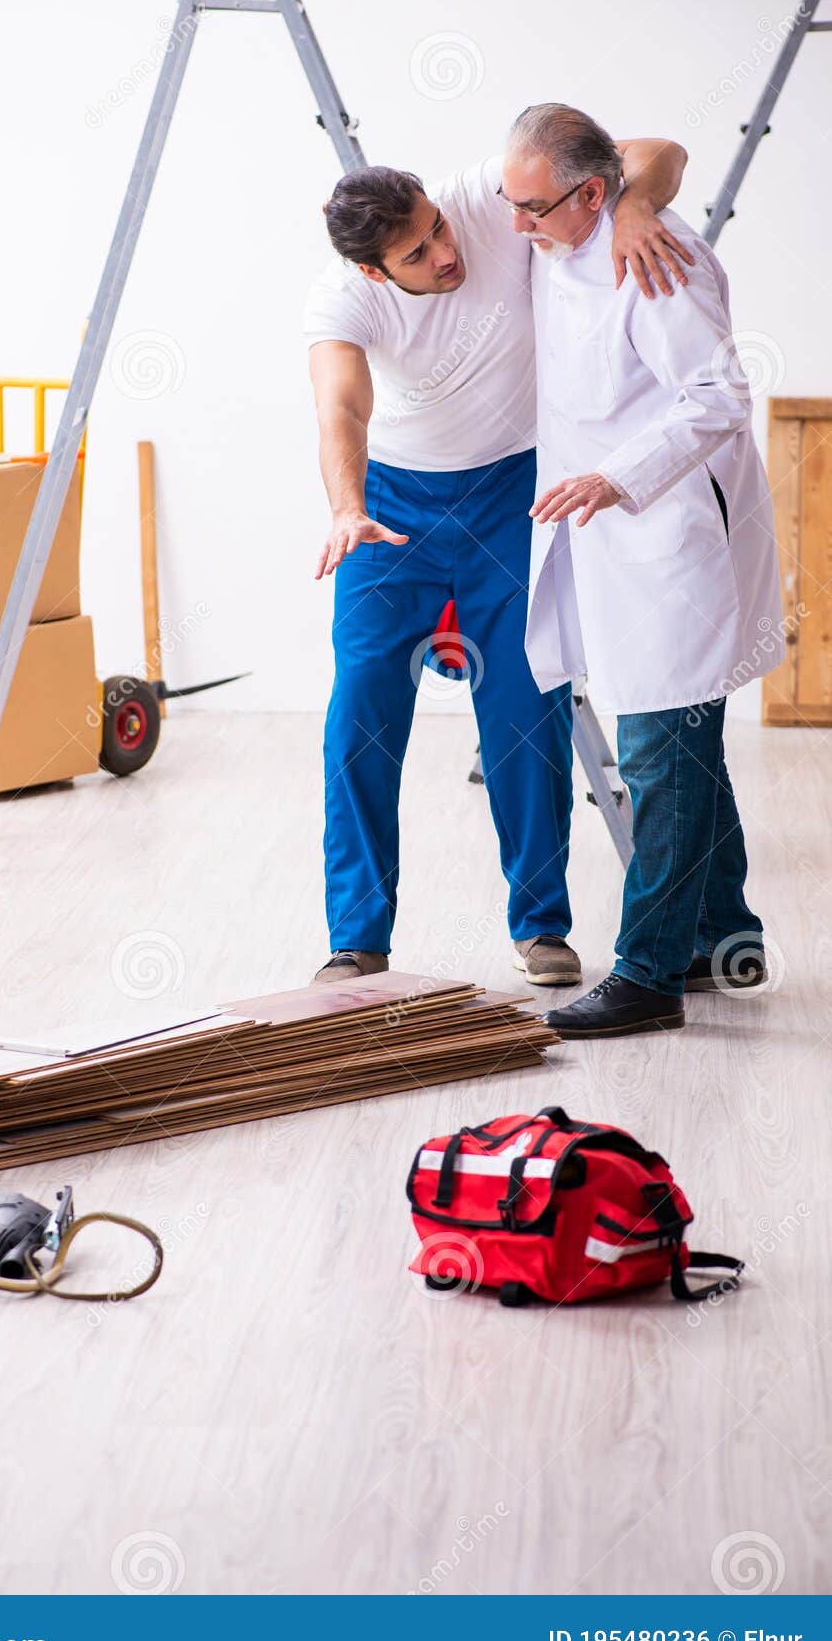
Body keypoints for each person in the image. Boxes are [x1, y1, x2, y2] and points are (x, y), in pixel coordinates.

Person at [303, 137, 693, 989]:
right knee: (360, 717)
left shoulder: (482, 197)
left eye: (437, 229)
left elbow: (657, 149)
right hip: (389, 513)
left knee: (528, 705)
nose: (447, 253)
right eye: (416, 254)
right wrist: (346, 510)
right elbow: (341, 407)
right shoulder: (343, 300)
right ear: (376, 273)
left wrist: (630, 203)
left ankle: (542, 924)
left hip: (511, 494)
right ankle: (356, 938)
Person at [500, 103, 784, 1038]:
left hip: (668, 542)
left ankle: (649, 974)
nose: (514, 226)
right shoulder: (566, 238)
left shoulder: (654, 263)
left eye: (531, 208)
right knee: (682, 744)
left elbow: (720, 396)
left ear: (590, 194)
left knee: (663, 753)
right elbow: (648, 155)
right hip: (609, 537)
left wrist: (617, 479)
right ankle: (721, 937)